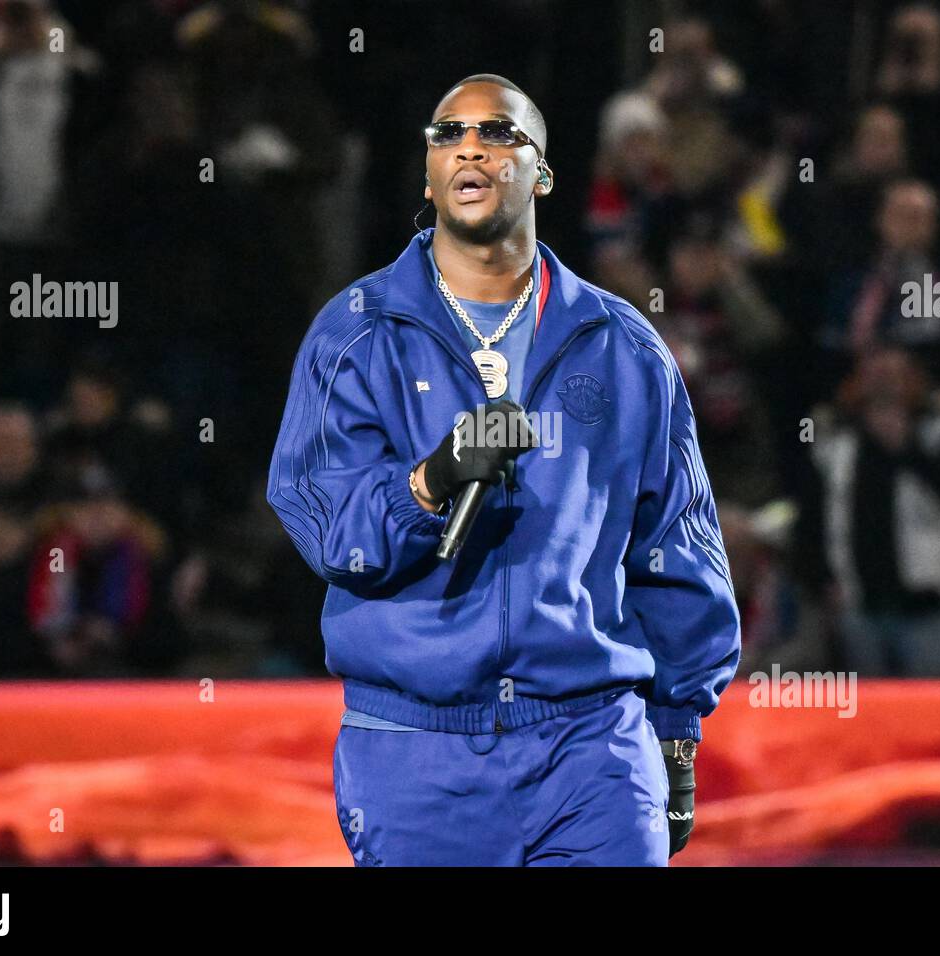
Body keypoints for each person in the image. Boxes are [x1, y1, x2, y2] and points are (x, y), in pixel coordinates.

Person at [267, 74, 741, 866]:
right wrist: (431, 482)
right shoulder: (356, 331)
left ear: (544, 173)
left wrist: (677, 736)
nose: (471, 148)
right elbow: (326, 528)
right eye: (447, 134)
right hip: (417, 749)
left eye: (498, 133)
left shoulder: (620, 344)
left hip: (591, 745)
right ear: (427, 175)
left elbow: (678, 550)